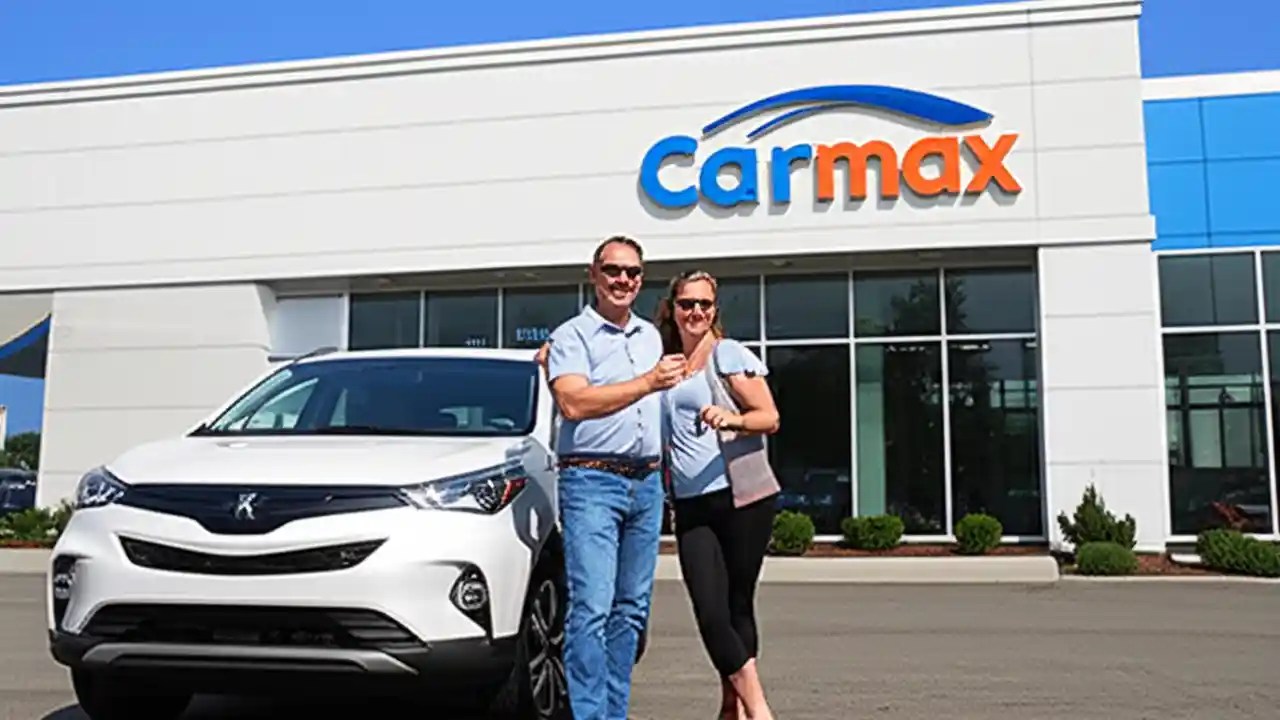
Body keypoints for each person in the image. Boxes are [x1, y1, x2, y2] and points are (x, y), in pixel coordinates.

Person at [543, 235, 686, 720]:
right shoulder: (571, 337)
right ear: (594, 275)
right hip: (591, 481)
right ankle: (589, 714)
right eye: (613, 270)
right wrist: (647, 382)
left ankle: (613, 712)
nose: (623, 280)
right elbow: (573, 403)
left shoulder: (650, 336)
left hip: (646, 484)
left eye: (633, 272)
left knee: (631, 610)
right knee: (592, 608)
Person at [655, 269, 781, 720]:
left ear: (714, 310)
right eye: (687, 304)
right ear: (672, 309)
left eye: (704, 304)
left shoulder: (726, 354)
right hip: (690, 504)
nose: (696, 312)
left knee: (736, 605)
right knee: (710, 611)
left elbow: (769, 416)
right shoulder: (666, 362)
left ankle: (742, 708)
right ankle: (753, 706)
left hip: (741, 498)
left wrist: (733, 420)